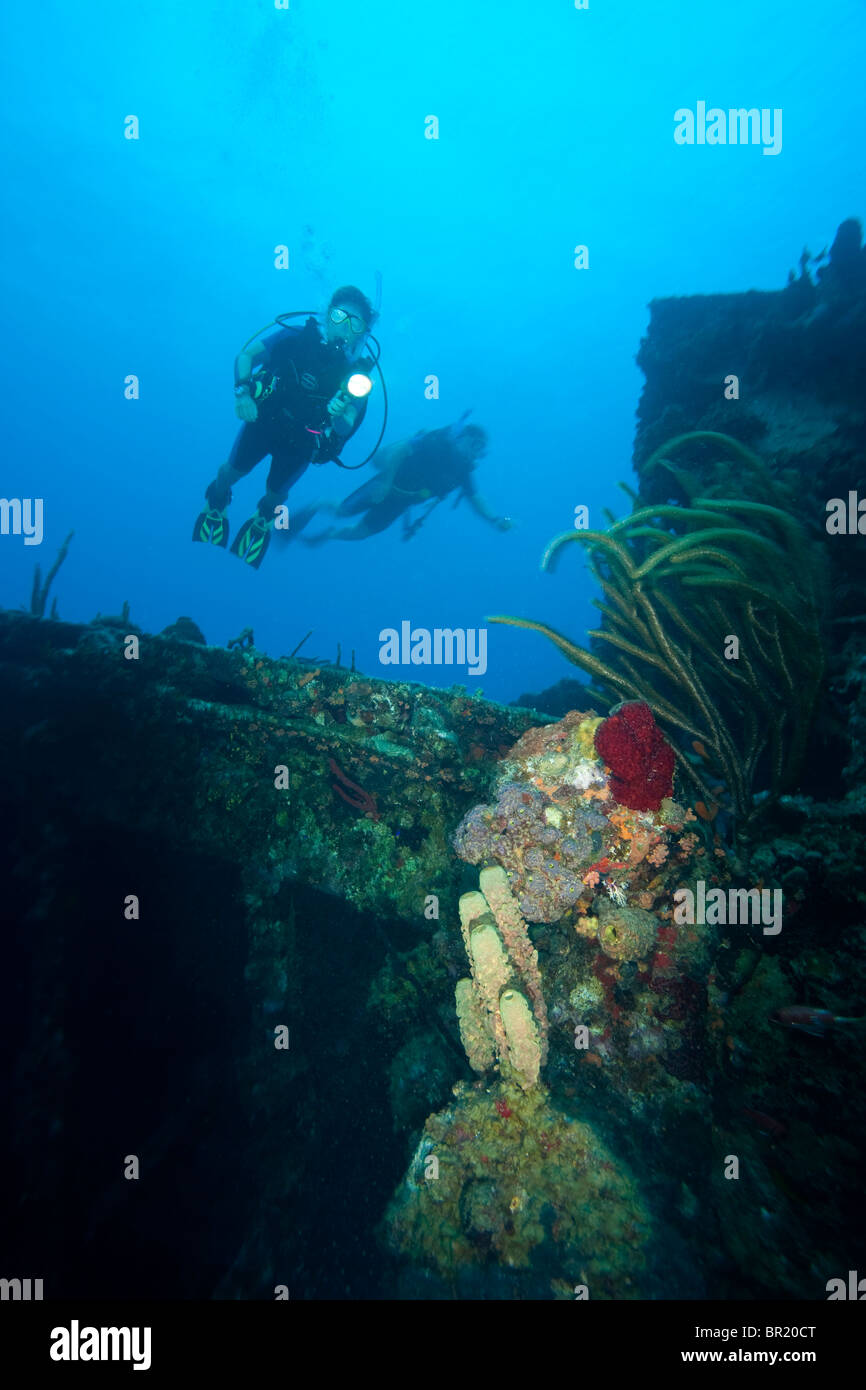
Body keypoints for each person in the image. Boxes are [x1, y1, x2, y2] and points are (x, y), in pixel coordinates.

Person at [193, 285, 376, 567]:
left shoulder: (357, 379)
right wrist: (242, 393)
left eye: (355, 322)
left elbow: (344, 427)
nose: (344, 326)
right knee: (231, 473)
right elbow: (246, 356)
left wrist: (340, 413)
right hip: (263, 423)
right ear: (327, 315)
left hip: (302, 443)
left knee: (277, 494)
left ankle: (265, 514)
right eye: (340, 316)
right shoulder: (294, 338)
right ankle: (218, 496)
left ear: (362, 333)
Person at [291, 418, 512, 545]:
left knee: (361, 533)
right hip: (385, 486)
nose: (476, 453)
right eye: (474, 445)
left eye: (481, 450)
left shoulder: (463, 470)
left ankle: (329, 534)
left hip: (401, 503)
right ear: (463, 437)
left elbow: (476, 498)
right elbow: (399, 450)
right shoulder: (437, 443)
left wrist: (495, 519)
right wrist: (386, 484)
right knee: (341, 511)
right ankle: (317, 504)